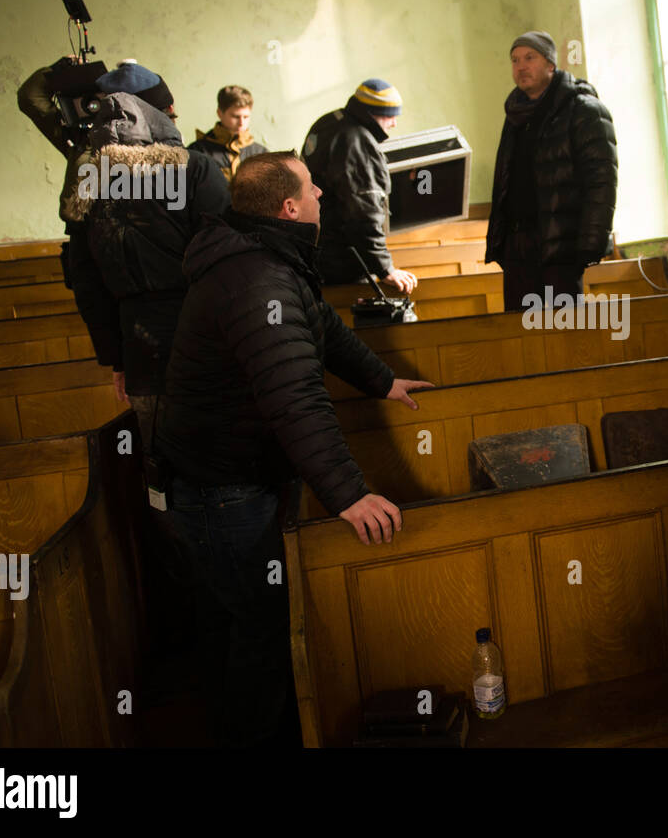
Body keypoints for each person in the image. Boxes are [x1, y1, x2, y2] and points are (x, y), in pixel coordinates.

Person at [154, 150, 433, 746]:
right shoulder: (257, 278)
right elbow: (295, 396)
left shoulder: (264, 255)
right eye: (312, 188)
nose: (322, 196)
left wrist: (382, 380)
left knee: (246, 630)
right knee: (257, 637)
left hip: (231, 477)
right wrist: (350, 495)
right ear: (288, 207)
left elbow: (323, 329)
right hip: (222, 490)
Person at [68, 62, 230, 444]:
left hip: (140, 349)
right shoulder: (196, 169)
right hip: (209, 341)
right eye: (169, 109)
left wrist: (117, 359)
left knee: (162, 464)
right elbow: (229, 261)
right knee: (223, 458)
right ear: (157, 114)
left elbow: (86, 283)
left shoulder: (87, 180)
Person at [486, 31, 618, 312]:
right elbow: (505, 184)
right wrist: (501, 244)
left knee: (563, 336)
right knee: (522, 333)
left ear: (550, 64)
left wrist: (590, 246)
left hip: (563, 247)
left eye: (530, 57)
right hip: (518, 250)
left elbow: (602, 181)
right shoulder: (514, 116)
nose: (521, 66)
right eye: (515, 60)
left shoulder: (583, 109)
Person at [301, 79, 417, 292]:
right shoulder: (356, 140)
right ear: (372, 112)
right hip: (342, 260)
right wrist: (385, 269)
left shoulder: (329, 122)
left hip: (315, 252)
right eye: (391, 116)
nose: (394, 124)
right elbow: (363, 211)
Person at [186, 84, 268, 182]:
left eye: (246, 117)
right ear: (220, 113)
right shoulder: (199, 151)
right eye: (236, 117)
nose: (241, 123)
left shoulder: (261, 153)